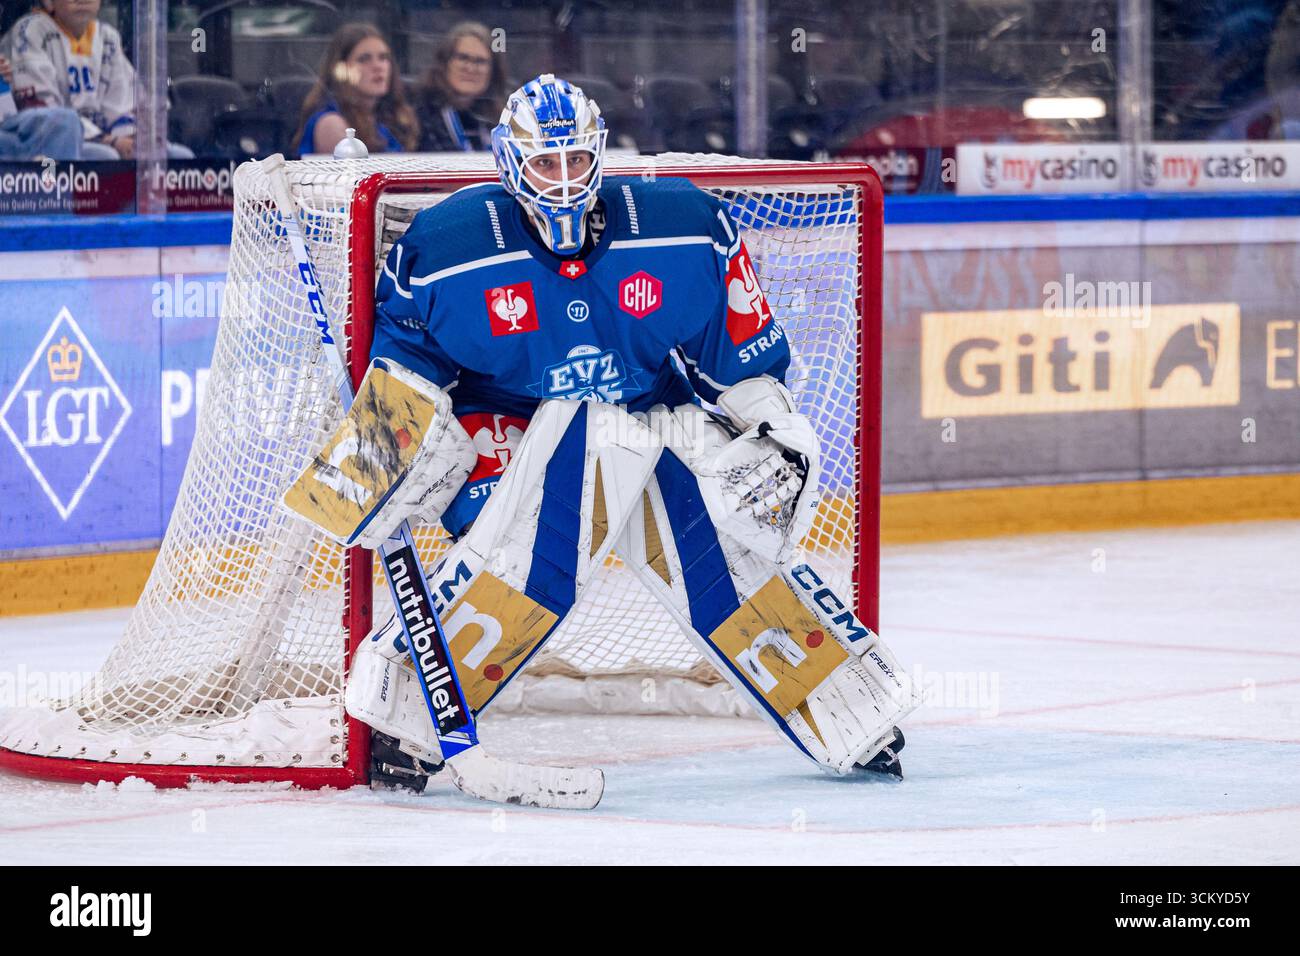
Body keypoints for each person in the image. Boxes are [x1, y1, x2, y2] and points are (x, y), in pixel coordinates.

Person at [286, 75, 913, 792]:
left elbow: (739, 361)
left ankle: (843, 707)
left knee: (729, 543)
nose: (562, 181)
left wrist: (771, 430)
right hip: (508, 424)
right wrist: (380, 451)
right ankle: (407, 722)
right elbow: (405, 366)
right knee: (527, 557)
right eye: (545, 164)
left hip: (648, 411)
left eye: (575, 161)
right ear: (510, 162)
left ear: (600, 155)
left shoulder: (683, 227)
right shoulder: (449, 246)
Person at [5, 0, 192, 159]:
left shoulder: (107, 36)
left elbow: (124, 104)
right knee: (98, 150)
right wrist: (110, 141)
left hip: (105, 138)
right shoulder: (29, 31)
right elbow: (46, 116)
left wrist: (132, 138)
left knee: (179, 156)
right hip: (42, 143)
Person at [293, 23, 418, 157]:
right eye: (364, 59)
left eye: (383, 58)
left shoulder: (387, 117)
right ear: (341, 69)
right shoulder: (331, 124)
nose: (378, 67)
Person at [412, 20, 505, 152]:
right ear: (444, 63)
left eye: (480, 61)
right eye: (463, 58)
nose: (471, 68)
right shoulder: (418, 117)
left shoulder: (502, 122)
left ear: (493, 71)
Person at [0, 52, 82, 159]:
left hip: (8, 123)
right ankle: (47, 171)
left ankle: (44, 168)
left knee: (102, 155)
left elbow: (7, 111)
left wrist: (5, 82)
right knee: (63, 120)